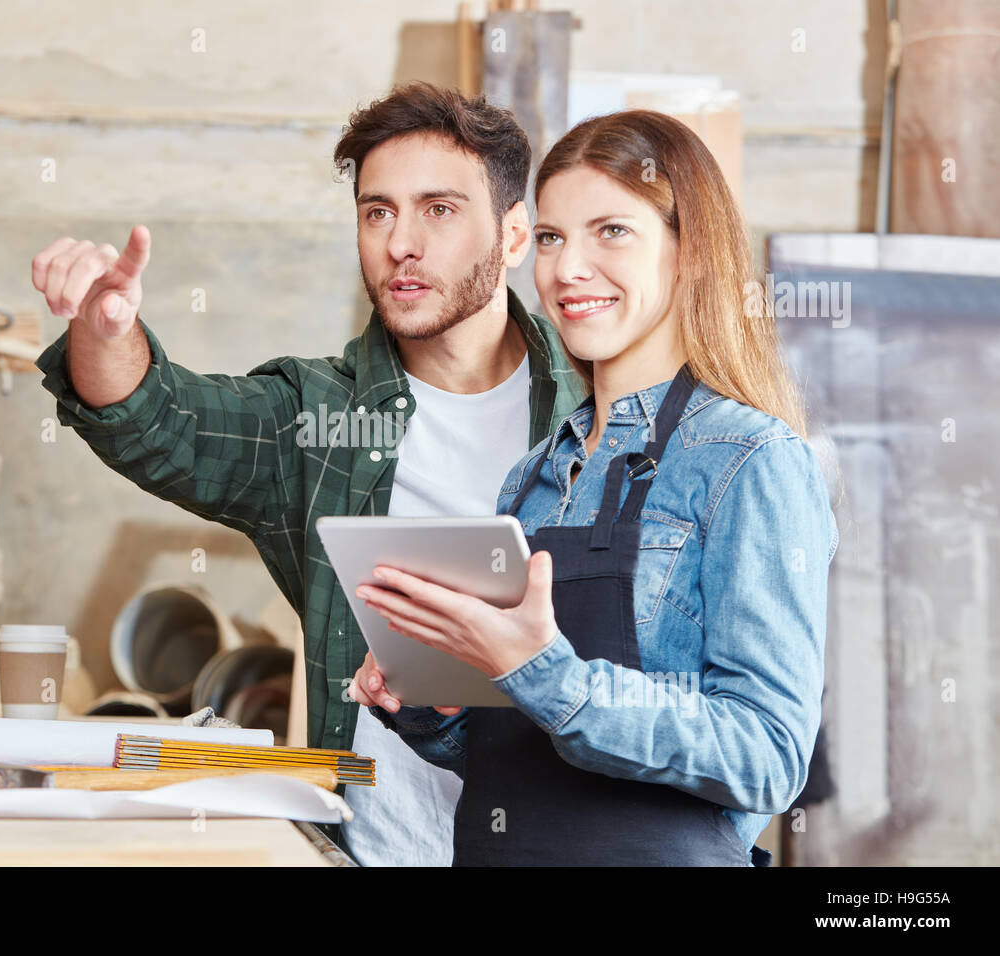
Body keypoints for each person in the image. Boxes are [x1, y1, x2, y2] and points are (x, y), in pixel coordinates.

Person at [30, 82, 586, 865]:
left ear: (517, 234)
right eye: (377, 211)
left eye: (439, 209)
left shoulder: (597, 406)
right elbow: (157, 418)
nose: (401, 243)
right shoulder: (317, 421)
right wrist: (102, 324)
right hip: (373, 850)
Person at [349, 109, 839, 866]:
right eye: (550, 238)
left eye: (611, 231)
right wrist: (430, 709)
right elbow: (514, 759)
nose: (567, 268)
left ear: (690, 252)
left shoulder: (751, 461)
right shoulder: (535, 476)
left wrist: (545, 671)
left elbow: (768, 755)